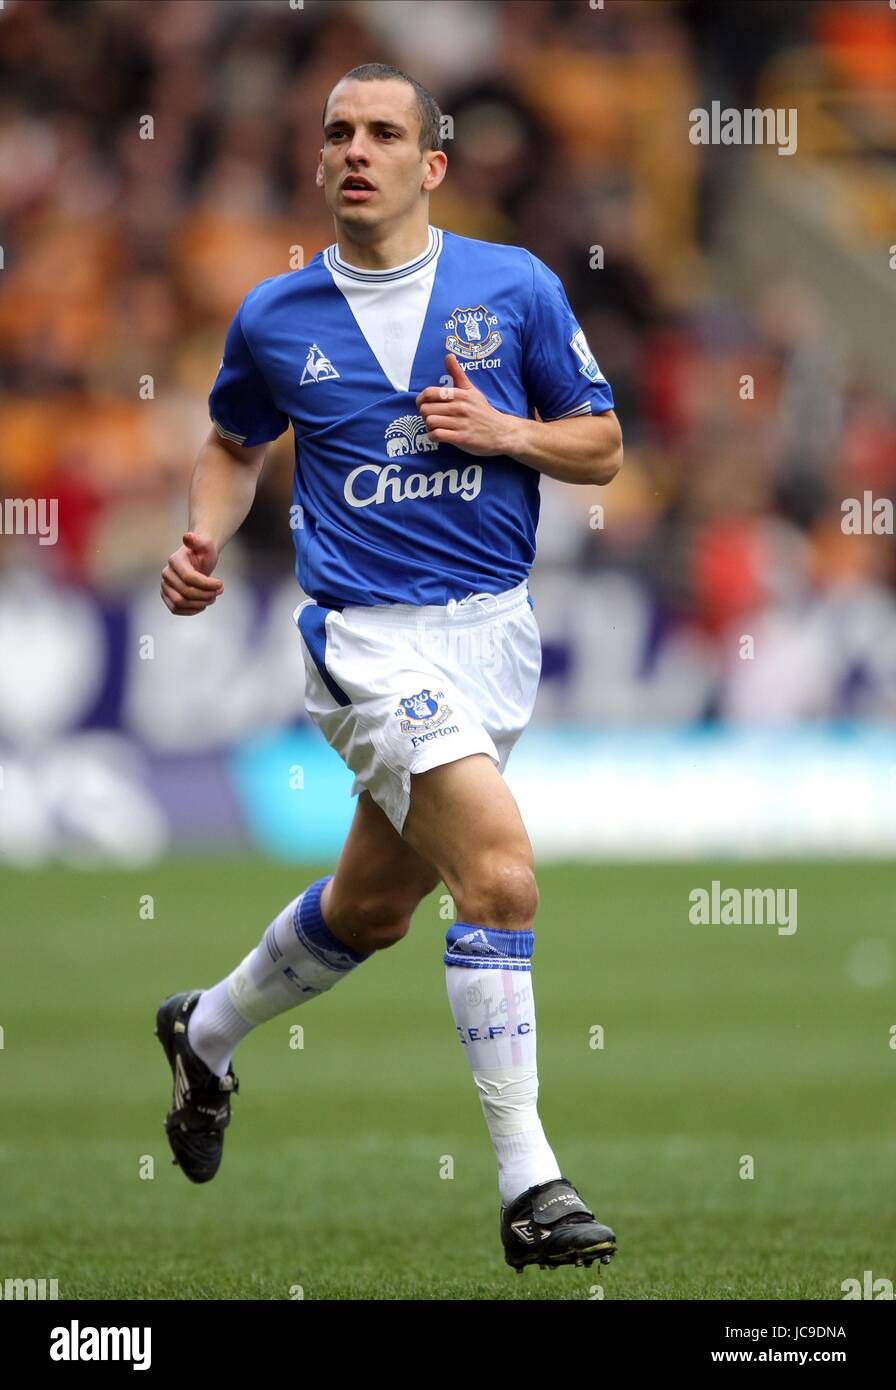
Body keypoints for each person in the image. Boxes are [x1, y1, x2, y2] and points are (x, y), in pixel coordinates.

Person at [156, 62, 622, 1274]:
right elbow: (230, 438)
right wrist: (202, 533)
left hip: (494, 633)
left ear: (432, 165)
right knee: (501, 876)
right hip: (365, 639)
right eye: (336, 133)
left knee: (372, 909)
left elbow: (604, 445)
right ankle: (532, 1184)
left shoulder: (508, 286)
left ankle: (202, 1032)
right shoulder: (275, 315)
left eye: (382, 133)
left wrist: (507, 432)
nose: (355, 149)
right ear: (318, 164)